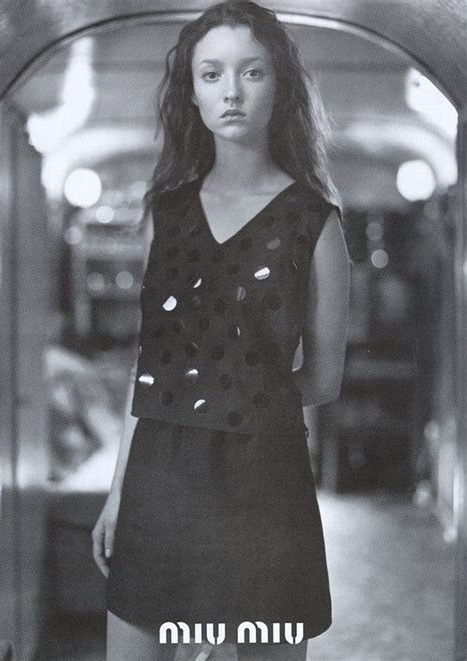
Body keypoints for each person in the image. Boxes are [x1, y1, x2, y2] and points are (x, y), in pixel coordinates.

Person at [92, 2, 351, 659]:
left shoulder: (315, 223)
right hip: (157, 478)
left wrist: (229, 396)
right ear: (193, 93)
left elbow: (324, 381)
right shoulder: (165, 214)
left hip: (263, 485)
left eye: (251, 72)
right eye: (211, 74)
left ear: (280, 86)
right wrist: (119, 491)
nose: (231, 91)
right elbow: (149, 366)